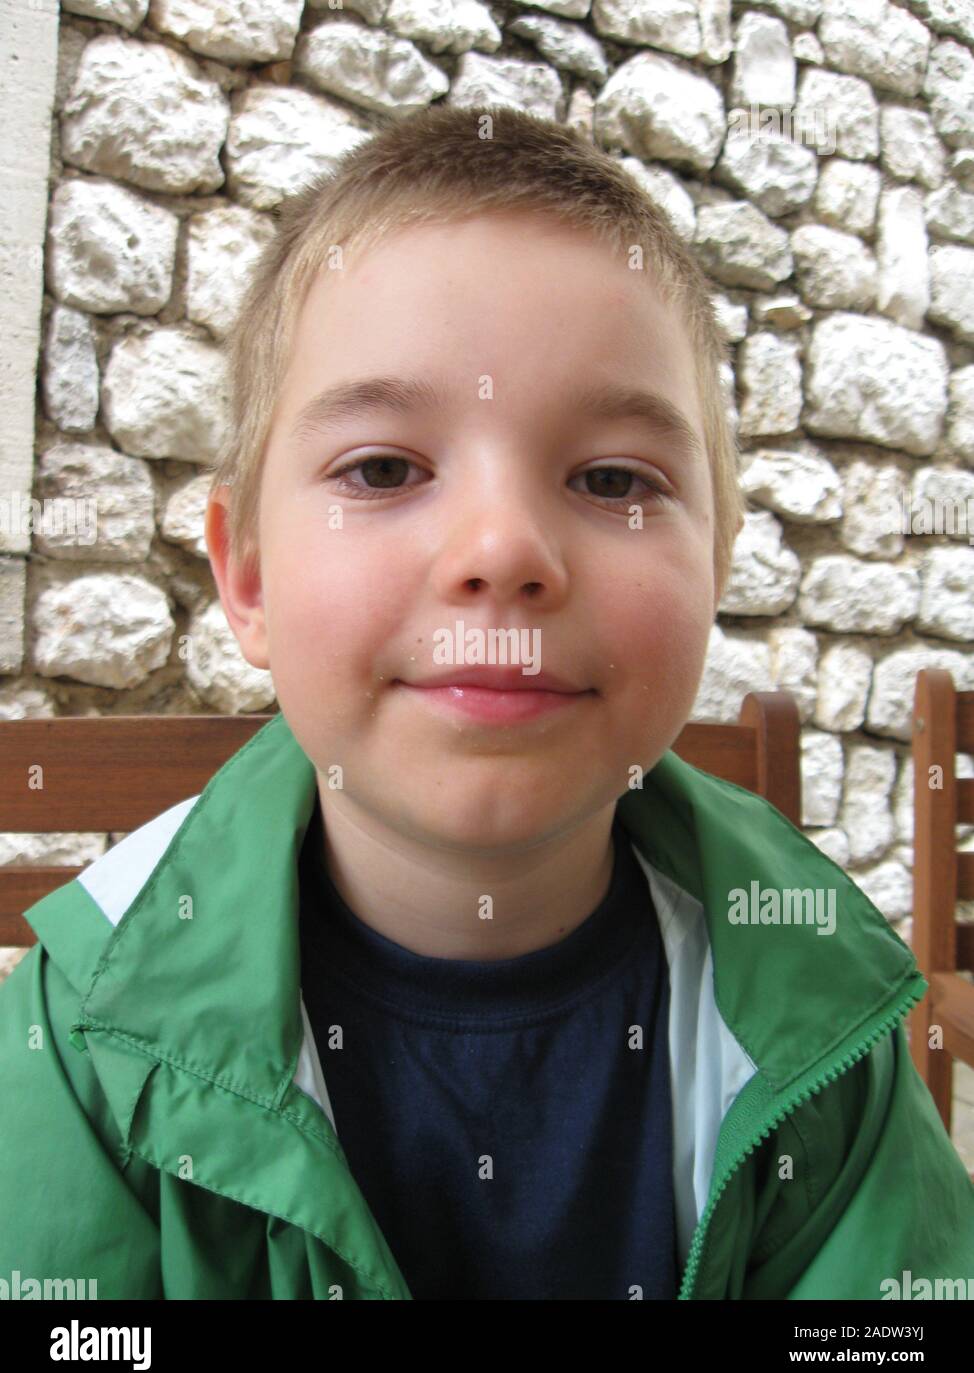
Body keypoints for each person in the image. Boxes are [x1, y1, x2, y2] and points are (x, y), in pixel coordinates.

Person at [1, 106, 971, 1301]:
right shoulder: (87, 1040)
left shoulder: (820, 1004)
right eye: (383, 469)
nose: (502, 548)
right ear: (246, 577)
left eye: (610, 478)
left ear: (714, 566)